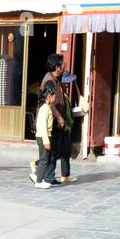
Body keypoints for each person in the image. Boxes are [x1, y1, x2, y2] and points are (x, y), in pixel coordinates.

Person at [36, 55, 74, 184]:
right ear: (57, 67)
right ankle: (45, 177)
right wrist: (58, 117)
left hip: (56, 121)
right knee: (50, 152)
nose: (64, 67)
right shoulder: (49, 81)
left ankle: (49, 176)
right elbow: (48, 103)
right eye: (63, 65)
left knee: (55, 150)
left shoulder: (56, 79)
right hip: (50, 122)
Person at [33, 85, 58, 189]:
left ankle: (40, 178)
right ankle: (38, 180)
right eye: (54, 96)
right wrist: (46, 141)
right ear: (49, 96)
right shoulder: (45, 108)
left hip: (45, 136)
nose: (55, 98)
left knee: (46, 158)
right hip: (43, 136)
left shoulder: (47, 107)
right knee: (44, 160)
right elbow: (42, 126)